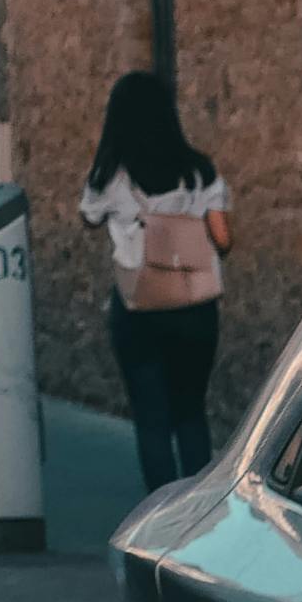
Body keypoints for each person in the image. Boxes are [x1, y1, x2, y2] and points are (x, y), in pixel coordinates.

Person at [81, 68, 235, 488]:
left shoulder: (111, 178)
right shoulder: (200, 172)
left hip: (139, 309)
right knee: (191, 412)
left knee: (152, 419)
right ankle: (201, 514)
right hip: (195, 307)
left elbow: (89, 218)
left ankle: (161, 519)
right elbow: (223, 240)